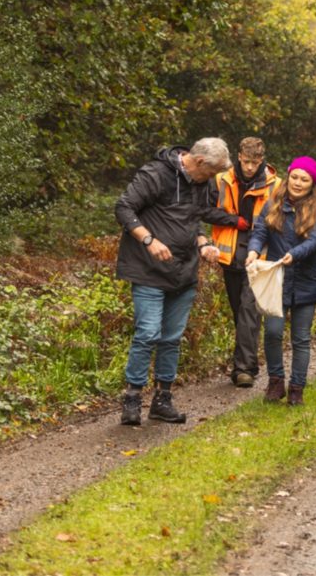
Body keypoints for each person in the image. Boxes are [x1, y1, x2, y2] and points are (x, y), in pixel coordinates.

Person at [113, 138, 230, 425]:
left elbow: (193, 221)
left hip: (184, 273)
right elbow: (124, 208)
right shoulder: (155, 174)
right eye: (212, 171)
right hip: (149, 271)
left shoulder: (201, 183)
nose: (213, 178)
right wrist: (149, 240)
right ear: (199, 162)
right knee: (148, 333)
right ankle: (132, 399)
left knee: (171, 338)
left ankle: (162, 400)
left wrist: (203, 244)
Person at [247, 157, 316, 407]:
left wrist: (295, 254)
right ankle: (276, 382)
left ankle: (296, 389)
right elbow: (260, 232)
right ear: (288, 177)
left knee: (300, 339)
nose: (298, 183)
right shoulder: (272, 204)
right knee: (272, 333)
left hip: (306, 282)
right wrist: (253, 251)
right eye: (295, 177)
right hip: (276, 280)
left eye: (304, 179)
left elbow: (314, 241)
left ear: (312, 184)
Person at [206, 137, 281, 388]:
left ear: (262, 160)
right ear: (238, 156)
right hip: (230, 255)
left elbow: (280, 220)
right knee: (239, 311)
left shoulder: (275, 185)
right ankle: (247, 362)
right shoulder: (221, 179)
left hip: (260, 257)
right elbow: (205, 211)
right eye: (246, 161)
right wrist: (233, 220)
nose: (249, 167)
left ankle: (244, 369)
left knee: (249, 309)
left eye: (255, 162)